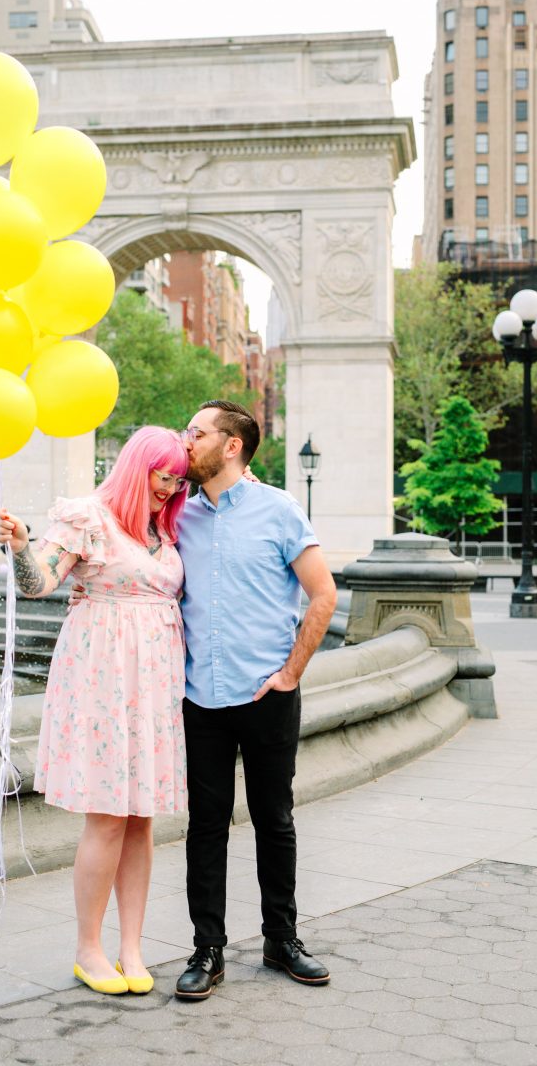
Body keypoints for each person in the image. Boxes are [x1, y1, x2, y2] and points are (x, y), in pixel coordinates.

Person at [0, 426, 190, 997]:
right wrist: (22, 544)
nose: (171, 488)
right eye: (163, 477)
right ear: (137, 468)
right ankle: (89, 948)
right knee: (107, 814)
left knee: (142, 817)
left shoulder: (165, 526)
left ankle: (132, 946)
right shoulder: (89, 517)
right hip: (104, 678)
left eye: (178, 480)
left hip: (155, 683)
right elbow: (39, 584)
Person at [173, 400, 338, 1002]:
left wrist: (290, 675)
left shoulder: (279, 510)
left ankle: (281, 940)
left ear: (233, 445)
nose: (185, 441)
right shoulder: (179, 518)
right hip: (201, 696)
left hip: (267, 693)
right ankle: (207, 950)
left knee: (275, 820)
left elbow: (323, 595)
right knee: (205, 826)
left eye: (196, 432)